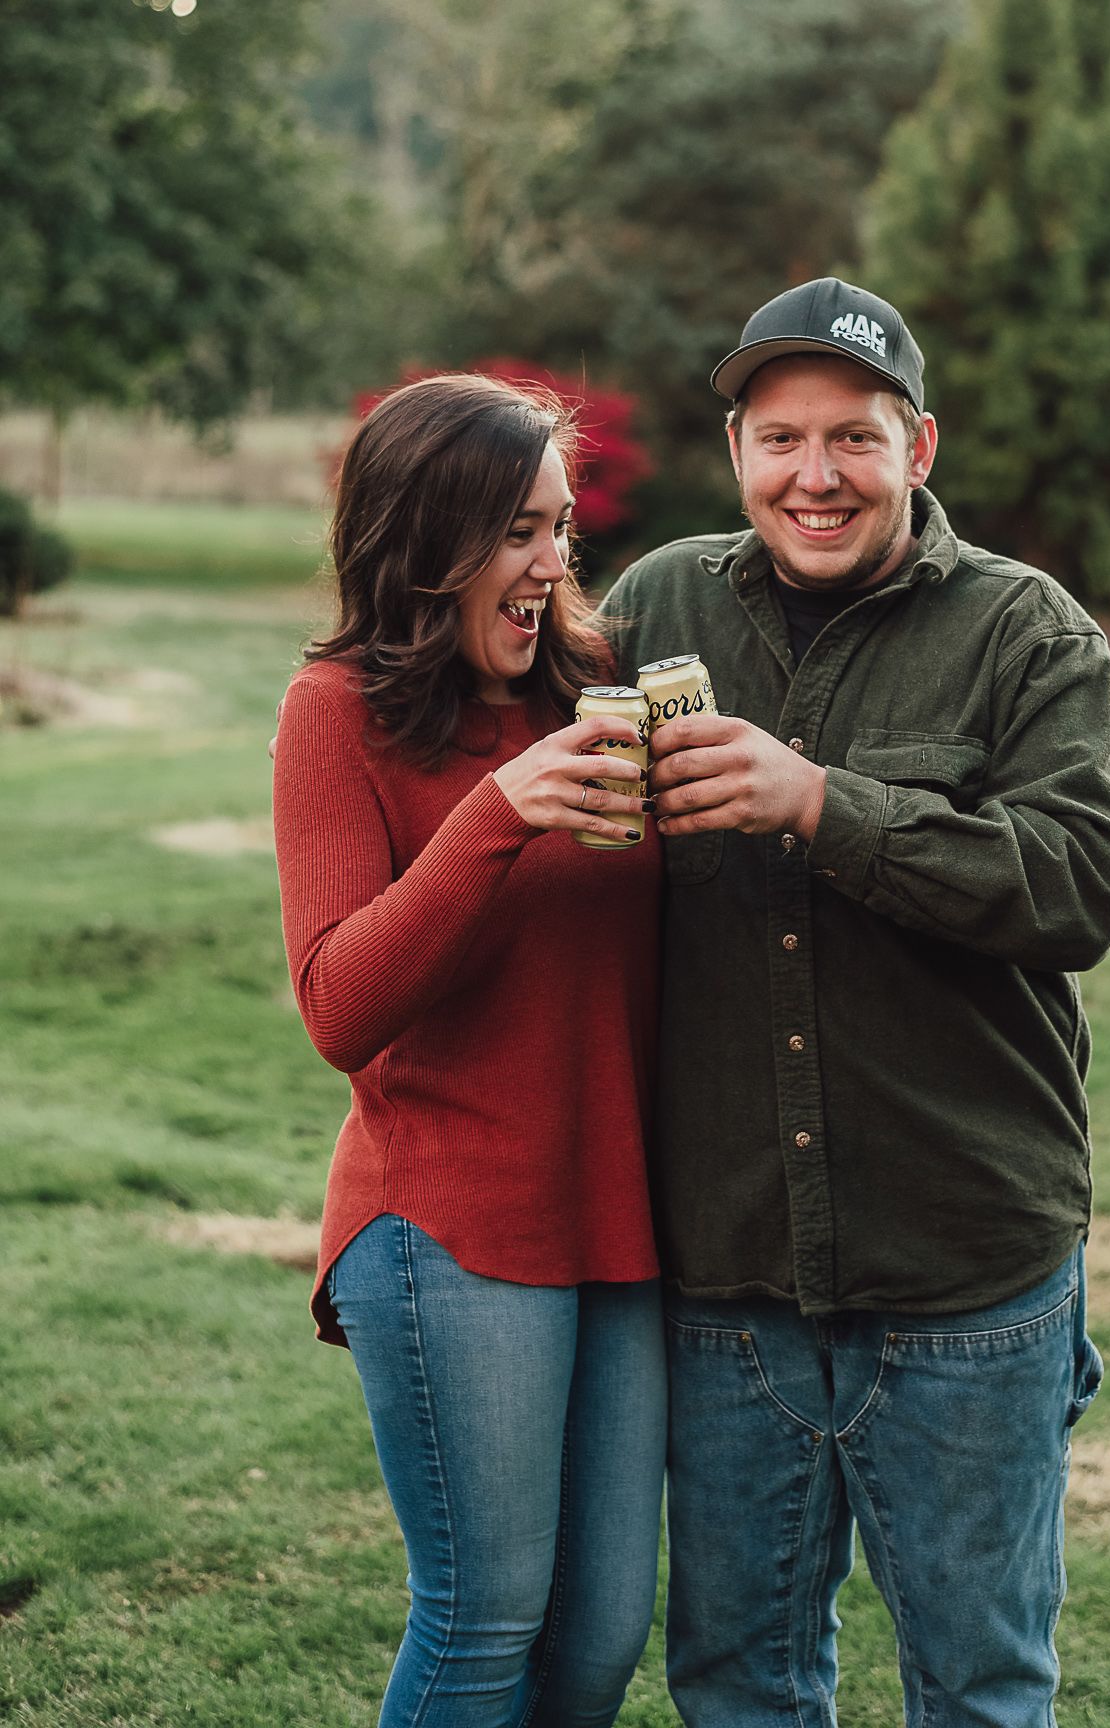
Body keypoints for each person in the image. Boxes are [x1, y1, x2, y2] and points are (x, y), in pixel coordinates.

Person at [597, 275, 1110, 1727]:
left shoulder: (1028, 633)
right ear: (736, 450)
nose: (816, 475)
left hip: (963, 1279)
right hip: (724, 1282)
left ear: (920, 446)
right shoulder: (652, 605)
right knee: (739, 1688)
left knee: (978, 1689)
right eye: (781, 438)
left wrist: (820, 804)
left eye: (855, 436)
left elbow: (1080, 887)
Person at [271, 373, 665, 1728]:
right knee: (486, 1620)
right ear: (425, 541)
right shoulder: (337, 712)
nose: (551, 563)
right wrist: (495, 815)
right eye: (515, 532)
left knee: (602, 1638)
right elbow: (337, 1007)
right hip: (447, 1221)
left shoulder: (598, 694)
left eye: (558, 528)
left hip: (618, 1218)